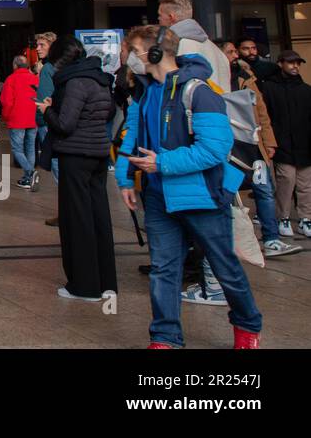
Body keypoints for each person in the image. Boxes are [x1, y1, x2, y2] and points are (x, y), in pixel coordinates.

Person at [116, 25, 262, 348]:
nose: (130, 58)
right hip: (158, 197)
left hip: (203, 198)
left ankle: (248, 325)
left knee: (225, 267)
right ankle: (165, 337)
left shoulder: (198, 91)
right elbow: (133, 134)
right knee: (164, 270)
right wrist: (125, 177)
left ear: (155, 53)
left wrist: (162, 164)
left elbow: (213, 149)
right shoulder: (145, 92)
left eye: (134, 51)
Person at [44, 36, 117, 301]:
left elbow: (65, 124)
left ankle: (84, 285)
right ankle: (105, 281)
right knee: (99, 218)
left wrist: (47, 111)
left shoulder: (74, 82)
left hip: (75, 154)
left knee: (77, 220)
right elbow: (108, 113)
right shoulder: (100, 79)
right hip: (98, 153)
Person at [223, 42, 298, 256]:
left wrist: (269, 142)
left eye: (235, 51)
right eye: (230, 52)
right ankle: (230, 243)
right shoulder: (212, 80)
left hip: (253, 145)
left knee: (264, 190)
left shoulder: (247, 78)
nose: (235, 55)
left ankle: (271, 239)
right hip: (228, 148)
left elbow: (261, 112)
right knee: (227, 194)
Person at [260, 50, 311, 240]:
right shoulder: (269, 88)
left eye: (297, 63)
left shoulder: (306, 90)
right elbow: (265, 118)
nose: (295, 66)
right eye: (290, 63)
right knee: (286, 181)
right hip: (282, 145)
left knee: (306, 185)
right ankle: (283, 218)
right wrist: (270, 142)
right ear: (280, 64)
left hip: (304, 144)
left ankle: (306, 219)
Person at [158, 0, 231, 92]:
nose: (159, 19)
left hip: (195, 106)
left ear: (171, 17)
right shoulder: (215, 48)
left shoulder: (180, 46)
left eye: (160, 15)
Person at [2, 56, 40, 190]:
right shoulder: (35, 79)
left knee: (17, 149)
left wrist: (6, 117)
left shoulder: (11, 79)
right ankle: (27, 179)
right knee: (30, 147)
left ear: (14, 65)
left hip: (17, 118)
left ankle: (30, 172)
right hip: (33, 118)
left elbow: (7, 101)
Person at [33, 32, 57, 186]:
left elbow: (44, 99)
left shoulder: (48, 68)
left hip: (49, 122)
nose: (37, 48)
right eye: (37, 45)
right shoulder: (60, 65)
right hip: (60, 120)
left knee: (56, 163)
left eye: (42, 45)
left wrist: (40, 119)